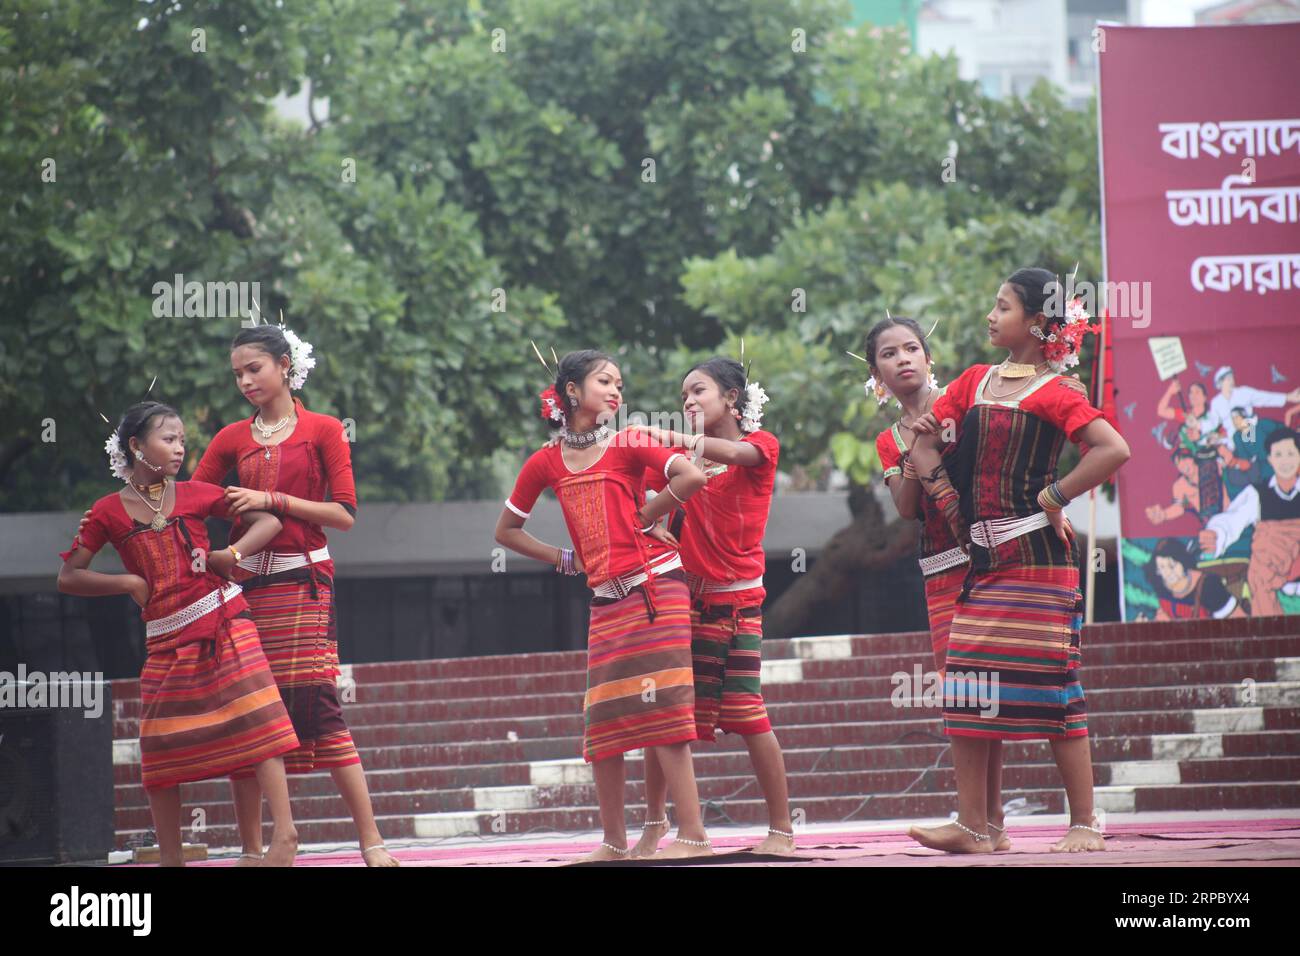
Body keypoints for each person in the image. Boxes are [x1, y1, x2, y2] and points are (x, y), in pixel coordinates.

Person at [906, 268, 1131, 854]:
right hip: (984, 562)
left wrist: (1054, 497)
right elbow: (923, 442)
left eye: (1001, 307)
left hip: (1037, 559)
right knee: (965, 688)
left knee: (1054, 687)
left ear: (1034, 322)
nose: (990, 315)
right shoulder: (974, 382)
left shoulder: (1057, 390)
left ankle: (1083, 822)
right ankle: (975, 826)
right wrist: (953, 510)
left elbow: (1113, 449)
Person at [494, 349, 714, 861]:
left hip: (657, 588)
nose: (616, 391)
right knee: (604, 722)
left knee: (664, 710)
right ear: (572, 391)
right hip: (605, 600)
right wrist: (563, 559)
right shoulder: (545, 461)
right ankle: (614, 842)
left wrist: (645, 515)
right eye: (604, 381)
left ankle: (695, 834)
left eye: (619, 384)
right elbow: (506, 531)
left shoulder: (630, 441)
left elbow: (692, 476)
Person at [58, 401, 300, 866]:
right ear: (135, 445)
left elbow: (269, 521)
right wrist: (127, 582)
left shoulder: (197, 492)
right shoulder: (106, 512)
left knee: (261, 719)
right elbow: (69, 577)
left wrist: (232, 553)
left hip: (226, 618)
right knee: (160, 747)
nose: (179, 450)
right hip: (165, 639)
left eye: (182, 441)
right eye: (168, 440)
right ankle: (171, 857)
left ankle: (285, 836)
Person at [192, 323, 397, 867]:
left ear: (285, 365)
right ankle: (254, 848)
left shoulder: (324, 429)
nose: (244, 381)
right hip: (242, 588)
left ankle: (372, 843)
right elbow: (194, 499)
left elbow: (345, 515)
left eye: (253, 369)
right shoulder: (231, 437)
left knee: (317, 705)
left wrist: (271, 499)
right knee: (247, 713)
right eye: (236, 373)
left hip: (303, 581)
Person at [627, 356, 794, 856]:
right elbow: (651, 518)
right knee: (664, 713)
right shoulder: (691, 468)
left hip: (739, 605)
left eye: (697, 391)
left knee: (747, 713)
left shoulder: (760, 446)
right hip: (686, 603)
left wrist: (665, 435)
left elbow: (734, 452)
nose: (688, 402)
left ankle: (782, 831)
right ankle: (655, 829)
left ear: (732, 399)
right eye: (683, 397)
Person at [1199, 428, 1300, 617]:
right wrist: (1216, 534)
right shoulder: (1257, 494)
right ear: (1270, 459)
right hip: (1271, 560)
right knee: (1260, 568)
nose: (1285, 461)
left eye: (1290, 454)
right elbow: (1232, 520)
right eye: (1279, 454)